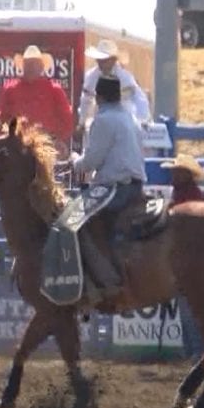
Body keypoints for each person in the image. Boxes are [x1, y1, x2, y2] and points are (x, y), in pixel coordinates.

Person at [70, 76, 147, 299]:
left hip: (114, 187)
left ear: (99, 97)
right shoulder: (130, 118)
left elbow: (91, 162)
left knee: (75, 223)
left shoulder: (103, 120)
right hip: (135, 184)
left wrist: (74, 160)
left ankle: (103, 279)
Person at [160, 154, 204, 359]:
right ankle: (193, 351)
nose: (172, 174)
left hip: (190, 259)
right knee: (186, 309)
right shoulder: (186, 193)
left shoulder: (188, 195)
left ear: (184, 175)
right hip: (187, 258)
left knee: (189, 310)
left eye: (176, 171)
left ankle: (197, 351)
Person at [0, 45, 74, 150]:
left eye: (34, 64)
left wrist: (56, 139)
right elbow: (2, 119)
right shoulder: (11, 89)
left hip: (46, 146)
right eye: (28, 64)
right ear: (23, 66)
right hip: (17, 147)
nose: (31, 68)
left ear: (41, 67)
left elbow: (67, 120)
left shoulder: (54, 89)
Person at [77, 39, 152, 130]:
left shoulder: (125, 78)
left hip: (124, 121)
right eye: (99, 60)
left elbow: (139, 99)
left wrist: (143, 120)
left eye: (104, 60)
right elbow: (86, 100)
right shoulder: (91, 77)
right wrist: (82, 123)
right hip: (101, 120)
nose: (100, 63)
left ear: (113, 60)